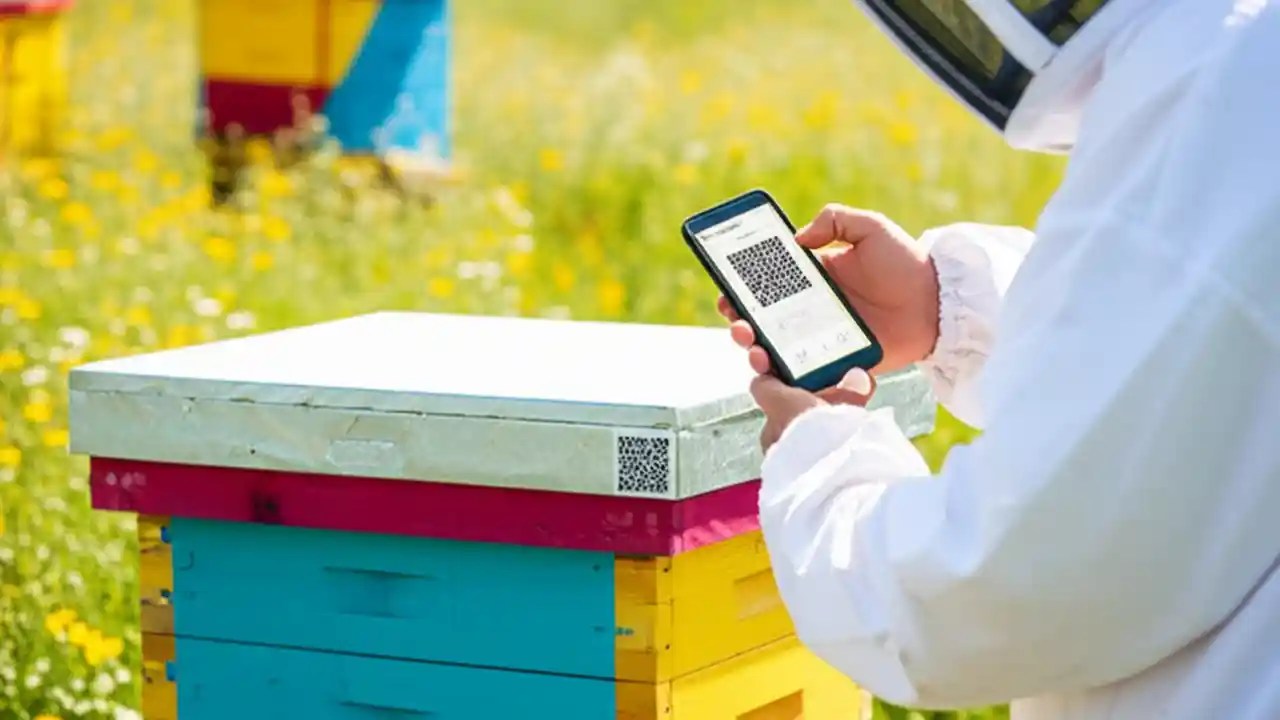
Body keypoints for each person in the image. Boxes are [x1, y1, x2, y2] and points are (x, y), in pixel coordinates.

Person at [719, 0, 1280, 717]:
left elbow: (1012, 589)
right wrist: (944, 308)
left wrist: (824, 462)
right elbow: (1208, 356)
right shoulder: (1241, 62)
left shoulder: (1215, 96)